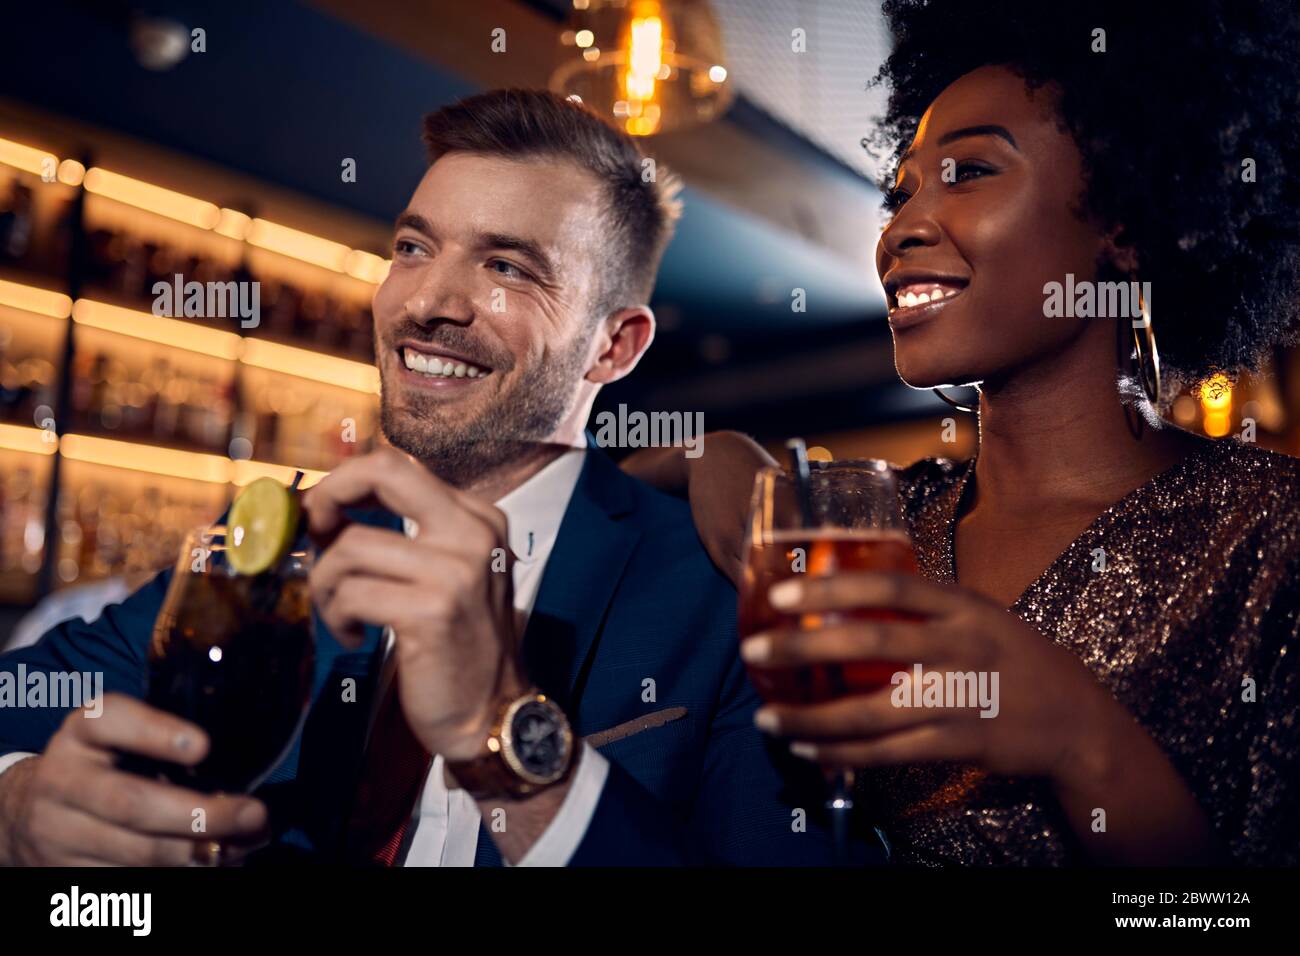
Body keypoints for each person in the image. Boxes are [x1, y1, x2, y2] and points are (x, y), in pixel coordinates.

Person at [0, 89, 848, 867]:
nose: (427, 301)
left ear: (614, 345)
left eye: (506, 267)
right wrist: (20, 802)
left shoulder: (725, 593)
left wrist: (511, 747)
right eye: (413, 246)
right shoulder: (286, 545)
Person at [624, 0, 1300, 865]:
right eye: (901, 190)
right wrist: (712, 450)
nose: (901, 228)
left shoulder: (1269, 540)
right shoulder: (875, 530)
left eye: (970, 172)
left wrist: (1080, 740)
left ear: (1123, 225)